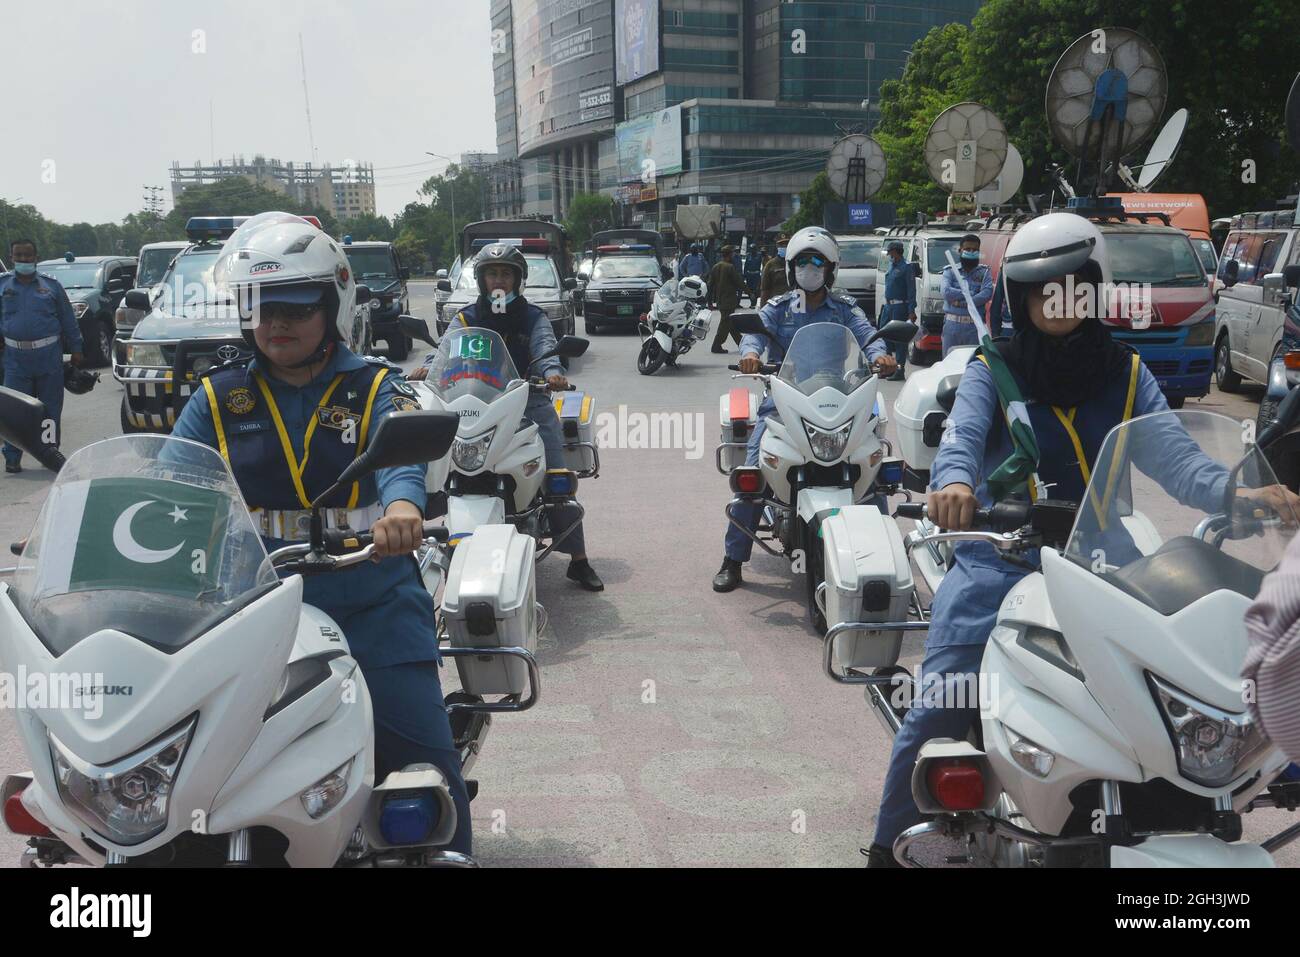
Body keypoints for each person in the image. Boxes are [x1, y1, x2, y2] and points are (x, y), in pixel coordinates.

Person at [865, 212, 1300, 867]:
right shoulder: (994, 368)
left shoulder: (1124, 373)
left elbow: (1182, 464)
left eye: (1071, 286)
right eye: (1042, 290)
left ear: (1093, 290)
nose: (1056, 302)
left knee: (1207, 667)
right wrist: (953, 484)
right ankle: (883, 846)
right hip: (999, 558)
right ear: (1019, 299)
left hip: (1104, 559)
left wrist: (1243, 495)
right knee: (944, 695)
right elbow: (960, 438)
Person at [170, 212, 472, 856]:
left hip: (370, 601)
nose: (275, 323)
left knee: (421, 757)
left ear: (332, 306)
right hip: (247, 610)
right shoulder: (217, 399)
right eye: (259, 308)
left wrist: (402, 512)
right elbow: (168, 483)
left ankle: (451, 850)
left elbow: (401, 465)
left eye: (294, 308)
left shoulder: (375, 387)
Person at [409, 243, 605, 592]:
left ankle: (578, 560)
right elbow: (446, 349)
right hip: (474, 406)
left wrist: (552, 371)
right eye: (492, 273)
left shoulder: (533, 317)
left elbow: (545, 349)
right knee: (427, 465)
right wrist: (428, 369)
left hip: (527, 401)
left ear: (518, 279)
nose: (499, 280)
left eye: (505, 273)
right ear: (482, 280)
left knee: (558, 480)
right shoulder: (466, 317)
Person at [712, 227, 898, 592]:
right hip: (784, 405)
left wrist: (882, 357)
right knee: (752, 476)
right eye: (801, 262)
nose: (808, 268)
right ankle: (733, 560)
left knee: (873, 473)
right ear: (790, 266)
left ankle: (887, 561)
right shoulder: (778, 308)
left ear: (830, 269)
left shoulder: (845, 309)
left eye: (816, 262)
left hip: (838, 401)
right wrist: (750, 354)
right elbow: (754, 334)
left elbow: (868, 336)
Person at [0, 240, 83, 473]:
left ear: (36, 257)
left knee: (49, 410)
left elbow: (68, 320)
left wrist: (76, 349)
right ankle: (12, 456)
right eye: (19, 255)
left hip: (49, 358)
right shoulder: (3, 286)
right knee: (13, 411)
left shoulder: (51, 286)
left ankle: (49, 453)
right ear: (11, 256)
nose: (23, 260)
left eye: (28, 255)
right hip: (15, 360)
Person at [939, 233, 993, 357]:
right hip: (952, 326)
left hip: (974, 327)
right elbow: (946, 292)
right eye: (967, 249)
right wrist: (970, 293)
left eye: (975, 250)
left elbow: (986, 294)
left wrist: (961, 302)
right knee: (949, 365)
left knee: (973, 364)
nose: (971, 252)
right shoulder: (950, 271)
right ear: (960, 251)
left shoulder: (984, 272)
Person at [877, 240, 917, 382]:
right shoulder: (891, 265)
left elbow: (911, 290)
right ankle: (888, 368)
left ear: (896, 251)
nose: (889, 255)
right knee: (883, 335)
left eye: (891, 252)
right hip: (888, 306)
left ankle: (899, 370)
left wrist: (911, 310)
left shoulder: (906, 267)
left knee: (900, 341)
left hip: (900, 307)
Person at [706, 244, 752, 354]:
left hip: (720, 300)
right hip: (729, 300)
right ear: (730, 255)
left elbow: (710, 286)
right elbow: (739, 282)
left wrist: (709, 302)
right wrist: (750, 293)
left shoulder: (715, 267)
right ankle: (716, 345)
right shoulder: (730, 267)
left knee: (730, 323)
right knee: (725, 324)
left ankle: (741, 343)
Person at [759, 233, 791, 306]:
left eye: (786, 244)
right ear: (777, 246)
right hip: (776, 306)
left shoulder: (796, 263)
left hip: (794, 307)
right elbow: (765, 290)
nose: (784, 246)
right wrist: (763, 311)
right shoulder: (770, 265)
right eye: (781, 245)